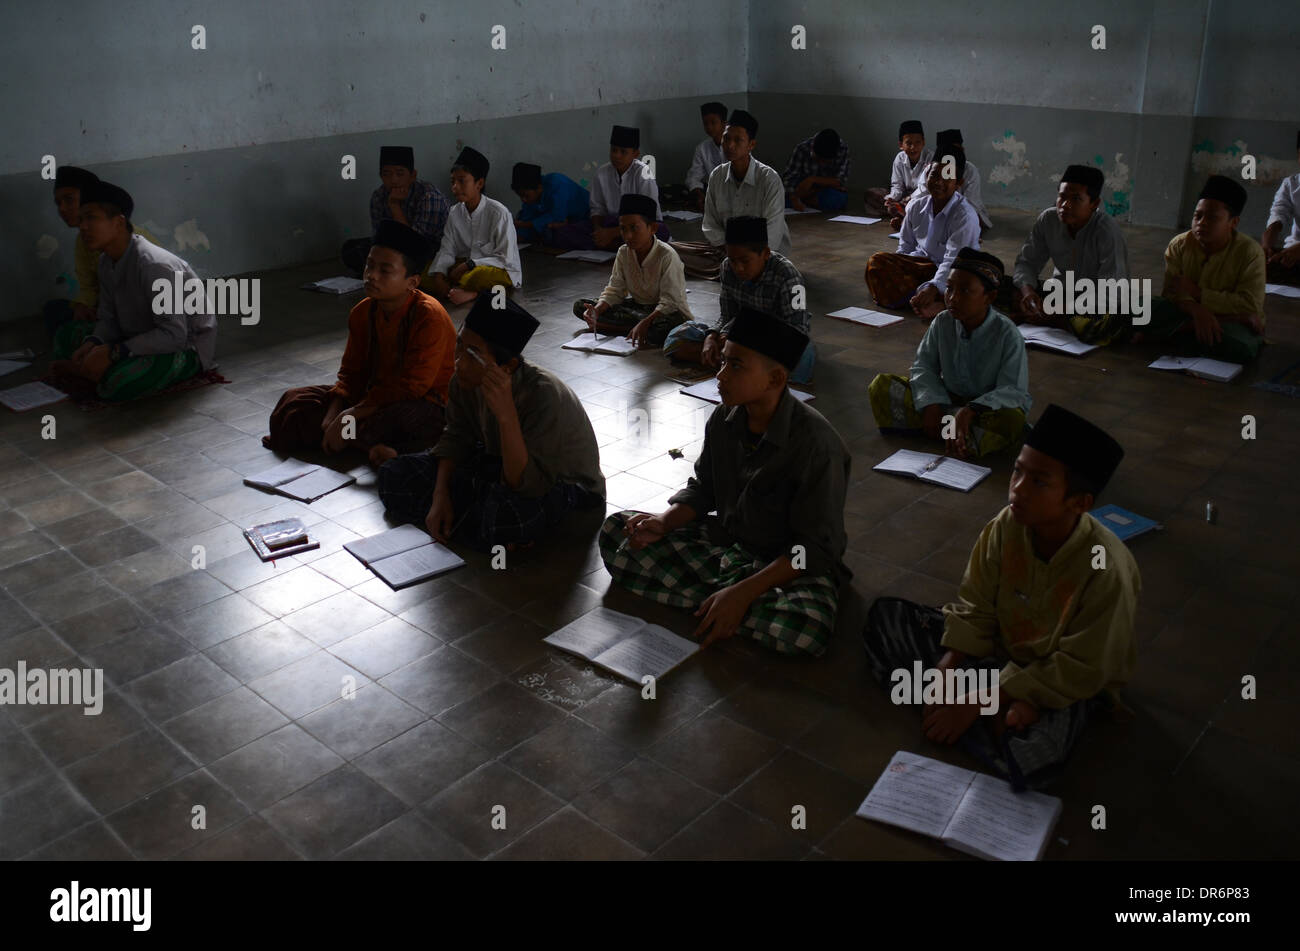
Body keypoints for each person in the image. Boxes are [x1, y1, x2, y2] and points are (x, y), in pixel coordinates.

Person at [861, 404, 1139, 789]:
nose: (1018, 490)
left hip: (1060, 678)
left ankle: (993, 709)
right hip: (1000, 651)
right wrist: (949, 663)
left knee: (1037, 751)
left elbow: (1081, 668)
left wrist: (980, 700)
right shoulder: (1006, 526)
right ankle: (984, 709)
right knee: (886, 618)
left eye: (1039, 482)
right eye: (1018, 471)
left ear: (1080, 502)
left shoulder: (1106, 569)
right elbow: (974, 606)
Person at [601, 307, 850, 657]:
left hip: (785, 566)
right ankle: (724, 604)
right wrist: (663, 522)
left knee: (805, 629)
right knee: (617, 531)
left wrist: (746, 590)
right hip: (728, 545)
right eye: (722, 362)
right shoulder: (724, 418)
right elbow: (705, 489)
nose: (720, 375)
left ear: (776, 379)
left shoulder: (817, 445)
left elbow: (812, 549)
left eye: (735, 366)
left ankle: (725, 600)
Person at [377, 296, 605, 551]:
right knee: (392, 474)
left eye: (473, 354)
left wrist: (506, 413)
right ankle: (473, 518)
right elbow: (456, 436)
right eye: (459, 346)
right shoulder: (463, 378)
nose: (459, 362)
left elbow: (526, 483)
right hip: (497, 465)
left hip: (559, 484)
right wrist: (440, 496)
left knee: (508, 517)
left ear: (507, 366)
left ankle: (478, 516)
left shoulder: (543, 395)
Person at [265, 220, 455, 465]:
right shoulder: (362, 312)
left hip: (423, 404)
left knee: (399, 420)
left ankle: (353, 439)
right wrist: (334, 414)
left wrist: (351, 414)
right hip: (370, 397)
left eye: (385, 271)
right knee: (294, 402)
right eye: (369, 265)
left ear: (413, 282)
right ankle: (354, 441)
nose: (371, 276)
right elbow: (351, 374)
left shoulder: (429, 316)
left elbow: (412, 388)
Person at [51, 181, 217, 402]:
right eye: (81, 220)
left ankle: (86, 371)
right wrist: (94, 342)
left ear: (118, 223)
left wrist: (114, 352)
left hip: (184, 346)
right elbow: (108, 319)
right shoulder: (105, 262)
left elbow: (174, 335)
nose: (82, 227)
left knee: (118, 384)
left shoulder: (155, 266)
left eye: (91, 218)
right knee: (67, 335)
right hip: (136, 335)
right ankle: (90, 369)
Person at [869, 248, 1029, 458]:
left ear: (989, 297)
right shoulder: (943, 322)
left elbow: (1013, 390)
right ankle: (956, 434)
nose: (952, 298)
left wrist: (971, 409)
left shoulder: (1007, 333)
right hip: (946, 402)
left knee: (1012, 421)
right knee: (881, 386)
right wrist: (932, 402)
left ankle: (950, 430)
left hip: (983, 411)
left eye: (964, 291)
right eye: (950, 288)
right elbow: (923, 366)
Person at [663, 216, 815, 383]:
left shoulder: (789, 276)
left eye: (745, 261)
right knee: (675, 338)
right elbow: (726, 316)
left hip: (772, 340)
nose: (738, 268)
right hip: (739, 339)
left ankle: (730, 362)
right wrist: (711, 337)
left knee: (802, 355)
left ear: (765, 253)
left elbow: (798, 329)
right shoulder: (727, 267)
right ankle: (738, 365)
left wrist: (745, 337)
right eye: (733, 260)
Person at [1141, 175, 1267, 363]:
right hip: (1198, 314)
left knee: (1240, 346)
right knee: (1137, 308)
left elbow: (1249, 304)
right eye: (1197, 216)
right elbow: (1171, 292)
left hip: (1228, 324)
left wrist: (1198, 294)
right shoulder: (1180, 244)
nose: (1201, 223)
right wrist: (1197, 311)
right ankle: (1188, 332)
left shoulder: (1251, 253)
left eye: (1212, 218)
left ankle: (1169, 335)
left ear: (1233, 223)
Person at [1008, 164, 1132, 345]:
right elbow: (1026, 263)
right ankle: (1050, 319)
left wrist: (1061, 310)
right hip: (1060, 293)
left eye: (1076, 199)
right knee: (1000, 289)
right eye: (1062, 197)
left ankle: (1050, 320)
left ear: (1094, 204)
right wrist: (1028, 292)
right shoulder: (1048, 220)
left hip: (1093, 302)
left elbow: (1112, 291)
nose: (1065, 205)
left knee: (1107, 322)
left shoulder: (1106, 231)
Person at [865, 148, 980, 320]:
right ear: (926, 176)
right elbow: (905, 247)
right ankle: (934, 303)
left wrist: (933, 287)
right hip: (923, 266)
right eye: (934, 175)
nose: (939, 182)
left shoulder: (964, 216)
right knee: (876, 263)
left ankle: (936, 301)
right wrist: (899, 267)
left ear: (958, 183)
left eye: (947, 177)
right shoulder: (915, 207)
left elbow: (953, 259)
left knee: (971, 286)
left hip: (955, 272)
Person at [572, 194, 692, 348]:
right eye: (623, 229)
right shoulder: (624, 252)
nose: (628, 236)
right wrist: (597, 310)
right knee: (581, 306)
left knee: (665, 327)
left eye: (635, 228)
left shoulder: (667, 255)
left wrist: (646, 322)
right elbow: (615, 290)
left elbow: (670, 302)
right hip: (637, 310)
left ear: (653, 228)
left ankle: (624, 328)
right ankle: (633, 329)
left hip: (665, 314)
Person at [426, 147, 522, 306]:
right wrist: (438, 275)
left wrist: (469, 264)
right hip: (464, 266)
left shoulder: (499, 213)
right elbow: (447, 248)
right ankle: (458, 288)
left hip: (495, 268)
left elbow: (506, 259)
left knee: (476, 276)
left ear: (479, 183)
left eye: (461, 181)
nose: (455, 187)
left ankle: (473, 293)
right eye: (453, 181)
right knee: (427, 273)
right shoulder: (454, 212)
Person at [340, 146, 450, 277]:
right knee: (352, 249)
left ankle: (388, 270)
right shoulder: (379, 196)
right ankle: (390, 270)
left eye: (400, 173)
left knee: (415, 259)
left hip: (429, 248)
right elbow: (378, 237)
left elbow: (415, 244)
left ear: (412, 175)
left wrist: (394, 205)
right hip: (396, 245)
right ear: (381, 176)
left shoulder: (429, 196)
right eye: (387, 174)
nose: (394, 180)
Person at [588, 125, 670, 249]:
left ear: (635, 154)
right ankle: (613, 244)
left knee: (660, 232)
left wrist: (612, 233)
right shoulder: (602, 173)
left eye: (623, 152)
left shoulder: (644, 173)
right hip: (613, 223)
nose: (617, 156)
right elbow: (597, 208)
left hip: (640, 225)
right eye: (613, 150)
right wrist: (599, 231)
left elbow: (648, 216)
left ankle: (614, 244)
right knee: (575, 231)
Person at [43, 165, 101, 339]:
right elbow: (87, 284)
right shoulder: (82, 239)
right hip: (105, 305)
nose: (61, 209)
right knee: (54, 308)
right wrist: (83, 305)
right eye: (58, 203)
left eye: (69, 200)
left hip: (134, 311)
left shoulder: (126, 239)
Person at [510, 162, 592, 249]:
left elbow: (557, 217)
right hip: (567, 222)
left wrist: (522, 224)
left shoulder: (558, 184)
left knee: (556, 232)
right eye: (520, 196)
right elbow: (527, 219)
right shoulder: (530, 199)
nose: (523, 200)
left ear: (539, 188)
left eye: (526, 196)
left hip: (587, 219)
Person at [864, 120, 933, 224]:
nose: (913, 147)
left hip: (921, 197)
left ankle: (903, 215)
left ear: (923, 142)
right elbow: (897, 186)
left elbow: (927, 188)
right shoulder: (899, 158)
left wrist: (910, 198)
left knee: (930, 201)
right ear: (901, 145)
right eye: (908, 143)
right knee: (871, 194)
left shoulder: (931, 158)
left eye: (917, 142)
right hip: (903, 198)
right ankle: (902, 213)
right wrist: (891, 198)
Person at [1261, 130, 1300, 285]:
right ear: (1298, 155)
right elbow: (1277, 217)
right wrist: (1266, 245)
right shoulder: (1291, 184)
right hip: (1291, 255)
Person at [936, 129, 992, 232]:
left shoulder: (970, 170)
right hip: (937, 211)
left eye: (956, 149)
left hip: (962, 210)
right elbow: (923, 197)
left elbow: (969, 205)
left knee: (971, 221)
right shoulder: (931, 169)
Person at [783, 128, 851, 211]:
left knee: (836, 200)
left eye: (826, 161)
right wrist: (794, 198)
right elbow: (788, 179)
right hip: (801, 189)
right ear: (812, 149)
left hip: (824, 190)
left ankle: (807, 201)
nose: (822, 164)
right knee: (781, 199)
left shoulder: (842, 149)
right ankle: (809, 202)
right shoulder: (802, 148)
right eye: (818, 160)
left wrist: (812, 180)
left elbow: (840, 181)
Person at [685, 101, 728, 211]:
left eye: (713, 123)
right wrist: (699, 195)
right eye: (705, 123)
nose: (709, 127)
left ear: (724, 123)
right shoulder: (702, 148)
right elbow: (693, 177)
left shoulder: (735, 146)